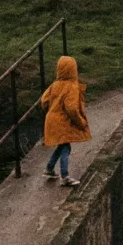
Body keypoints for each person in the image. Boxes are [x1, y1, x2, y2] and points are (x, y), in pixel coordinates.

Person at [40, 55, 89, 185]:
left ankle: (49, 169)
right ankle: (65, 176)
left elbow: (44, 101)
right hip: (62, 121)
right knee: (66, 147)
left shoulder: (54, 85)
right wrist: (81, 122)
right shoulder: (72, 87)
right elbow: (71, 108)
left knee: (62, 145)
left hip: (51, 119)